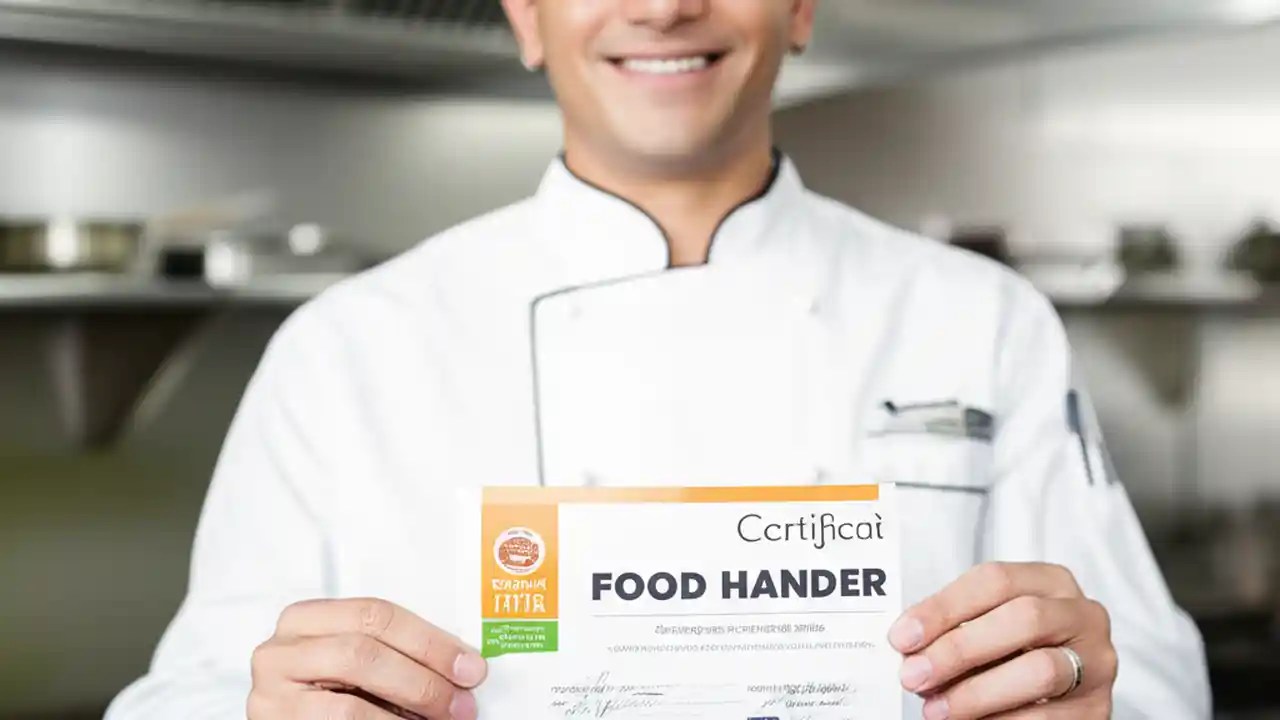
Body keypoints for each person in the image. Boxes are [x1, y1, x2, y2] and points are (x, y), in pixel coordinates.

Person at [108, 1, 1211, 718]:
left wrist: (1088, 685)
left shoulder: (983, 320)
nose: (661, 6)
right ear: (525, 16)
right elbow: (181, 695)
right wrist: (257, 709)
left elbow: (1158, 681)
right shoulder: (348, 348)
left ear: (800, 9)